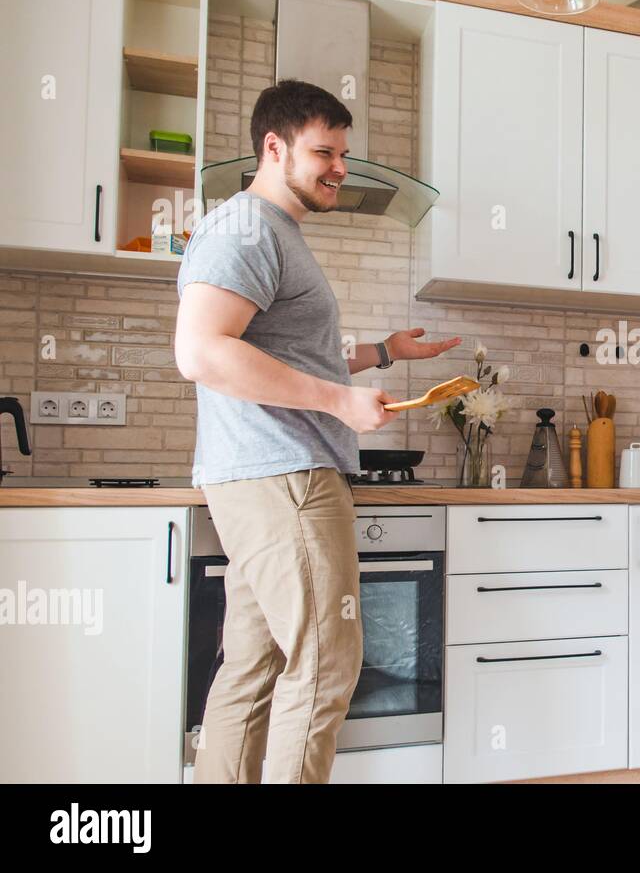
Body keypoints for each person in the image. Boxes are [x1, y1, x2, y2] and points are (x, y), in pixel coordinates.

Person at [174, 79, 461, 783]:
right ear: (273, 148)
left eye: (344, 152)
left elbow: (281, 352)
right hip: (286, 477)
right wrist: (339, 401)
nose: (340, 166)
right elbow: (202, 351)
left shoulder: (274, 233)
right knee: (327, 661)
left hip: (265, 475)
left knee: (255, 665)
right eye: (324, 151)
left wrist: (382, 353)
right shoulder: (246, 226)